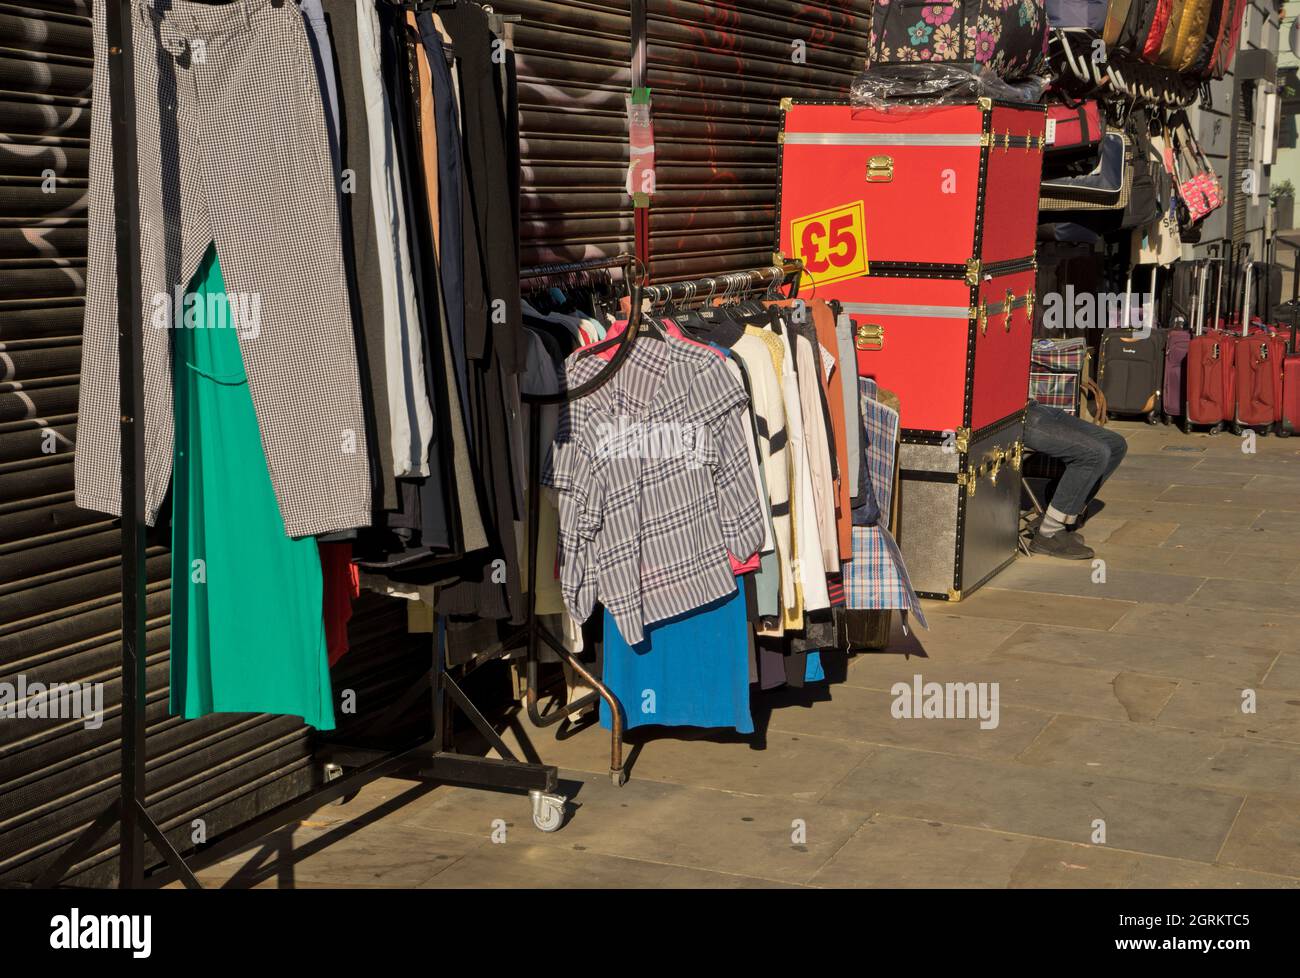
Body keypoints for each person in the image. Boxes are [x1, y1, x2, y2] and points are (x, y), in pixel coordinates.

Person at [1023, 400, 1128, 560]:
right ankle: (1049, 533)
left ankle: (1057, 510)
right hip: (1012, 417)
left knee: (1115, 445)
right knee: (1095, 454)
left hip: (1035, 408)